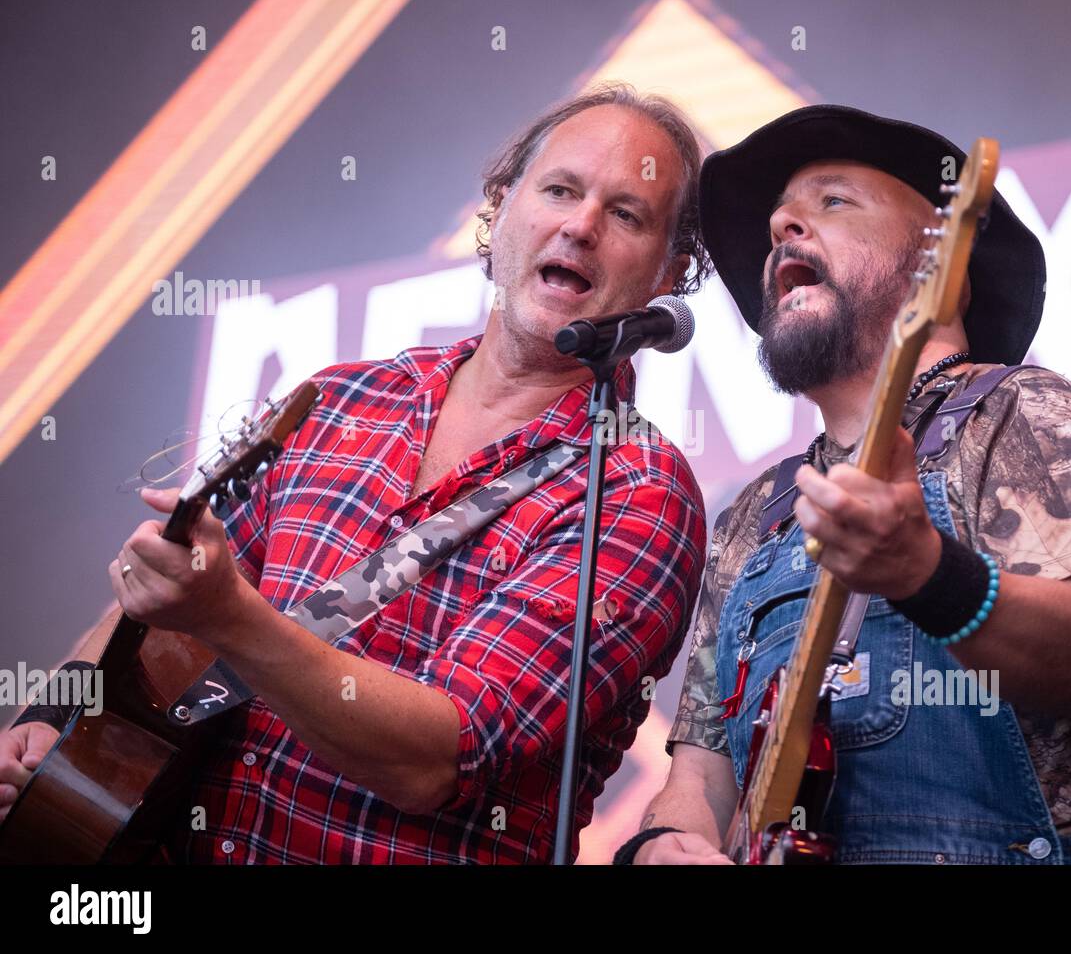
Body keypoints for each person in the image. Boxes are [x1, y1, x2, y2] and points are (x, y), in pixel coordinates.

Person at [0, 82, 710, 864]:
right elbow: (165, 609)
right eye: (560, 191)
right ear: (502, 208)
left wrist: (231, 615)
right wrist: (53, 713)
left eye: (625, 215)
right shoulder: (340, 396)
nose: (579, 226)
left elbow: (439, 758)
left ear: (670, 273)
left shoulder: (642, 492)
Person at [621, 105, 1071, 866]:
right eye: (779, 219)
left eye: (832, 202)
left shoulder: (1016, 410)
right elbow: (701, 769)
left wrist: (929, 575)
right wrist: (663, 840)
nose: (783, 228)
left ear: (946, 267)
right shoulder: (755, 516)